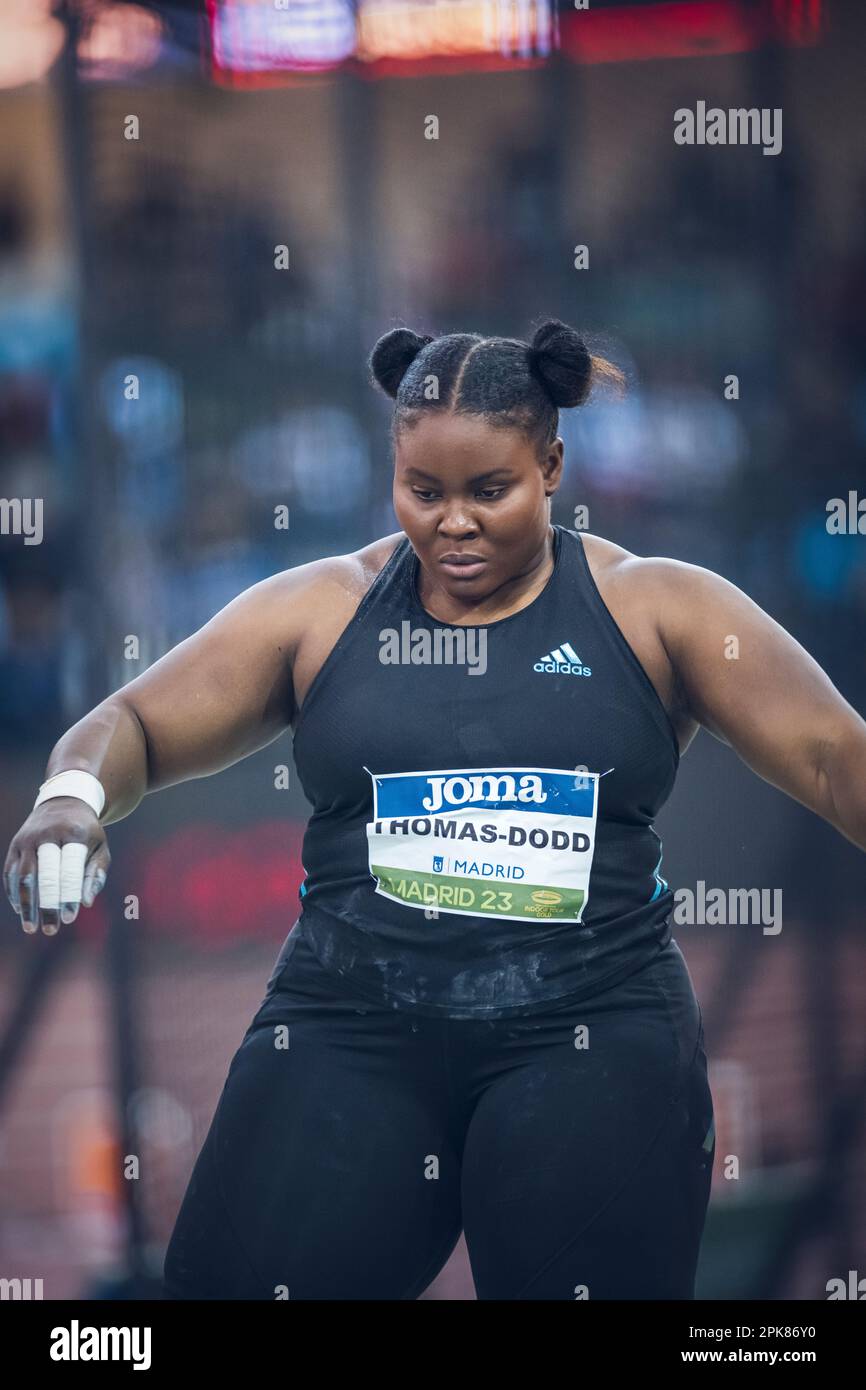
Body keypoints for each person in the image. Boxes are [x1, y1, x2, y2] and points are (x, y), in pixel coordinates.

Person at [5, 320, 866, 1300]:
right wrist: (69, 799)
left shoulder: (659, 609)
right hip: (349, 1025)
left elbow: (835, 756)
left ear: (550, 466)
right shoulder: (322, 610)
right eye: (423, 491)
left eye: (488, 491)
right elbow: (133, 723)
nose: (453, 523)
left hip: (590, 1028)